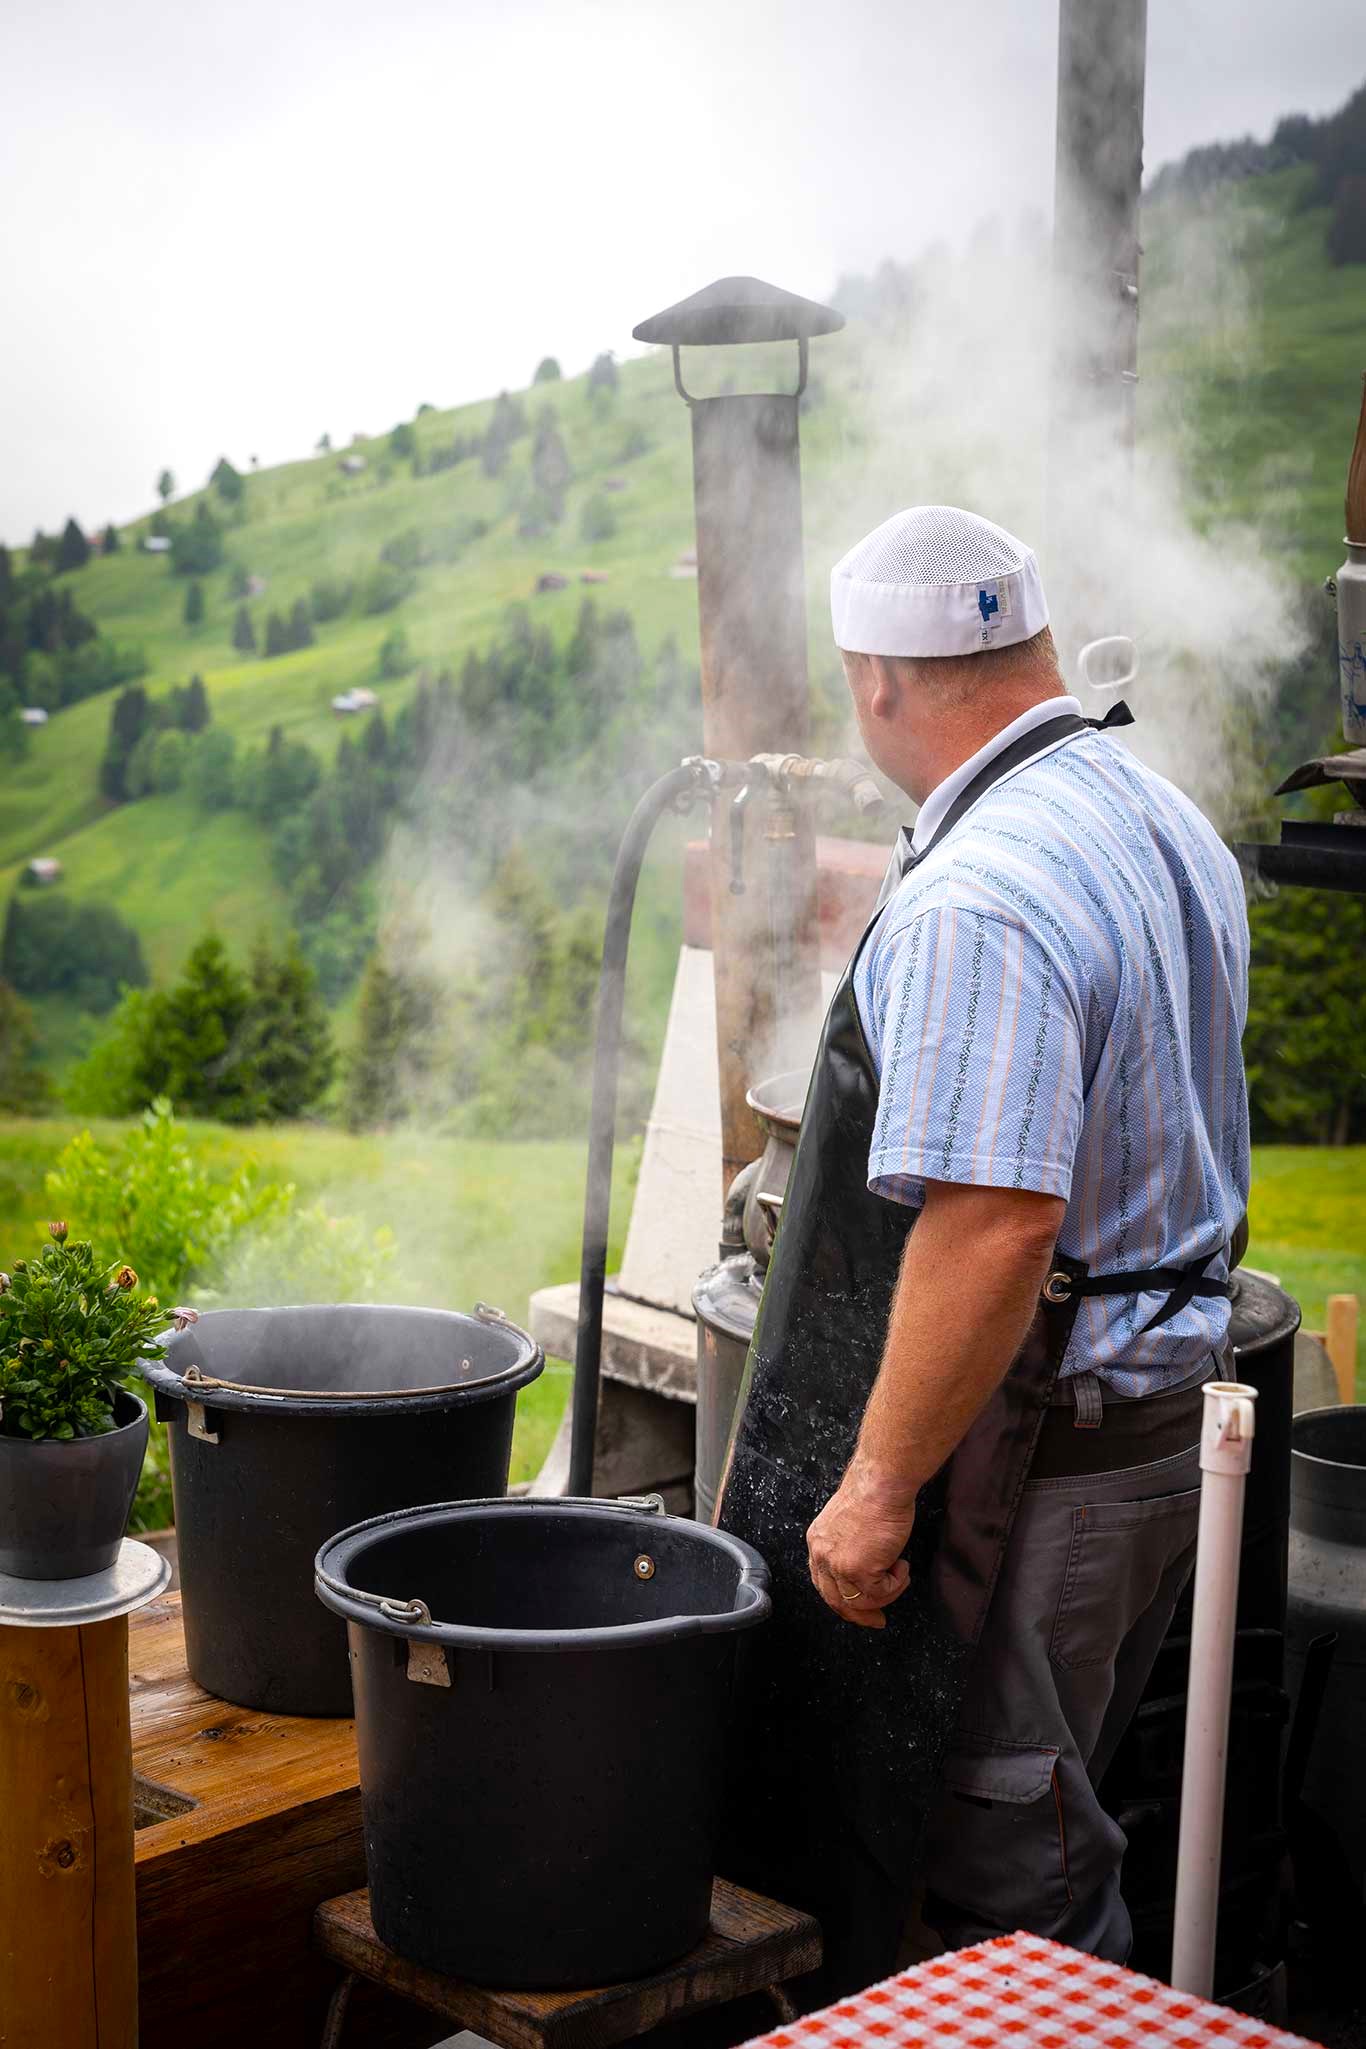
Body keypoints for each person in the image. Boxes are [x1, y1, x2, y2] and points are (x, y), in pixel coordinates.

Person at [717, 504, 1250, 1982]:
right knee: (1072, 1793)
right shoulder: (1157, 815)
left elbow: (996, 1223)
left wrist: (875, 1488)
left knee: (1007, 1873)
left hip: (1048, 1453)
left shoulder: (976, 895)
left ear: (878, 682)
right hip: (1160, 1422)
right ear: (1027, 643)